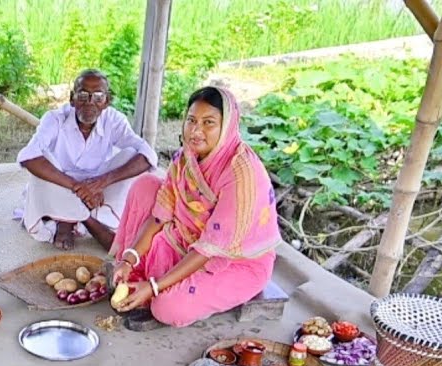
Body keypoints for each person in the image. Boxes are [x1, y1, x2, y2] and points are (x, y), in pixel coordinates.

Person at [110, 86, 279, 327]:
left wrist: (155, 286)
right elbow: (159, 217)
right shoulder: (185, 158)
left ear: (227, 126)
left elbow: (209, 248)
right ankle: (137, 277)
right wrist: (129, 259)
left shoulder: (242, 174)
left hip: (235, 260)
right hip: (188, 240)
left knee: (167, 308)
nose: (196, 131)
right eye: (191, 120)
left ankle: (159, 287)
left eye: (208, 123)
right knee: (146, 185)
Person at [17, 69, 158, 251]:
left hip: (98, 190)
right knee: (41, 161)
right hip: (61, 186)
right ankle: (86, 220)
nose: (90, 102)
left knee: (131, 155)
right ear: (72, 99)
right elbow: (28, 156)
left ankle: (71, 218)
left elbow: (148, 154)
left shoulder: (114, 120)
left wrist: (101, 182)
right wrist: (79, 188)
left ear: (106, 101)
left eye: (98, 97)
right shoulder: (54, 119)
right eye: (83, 95)